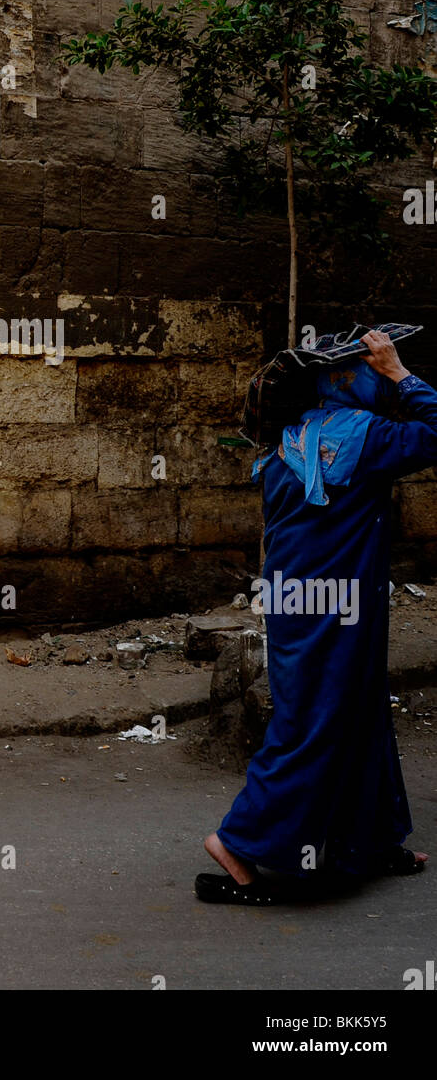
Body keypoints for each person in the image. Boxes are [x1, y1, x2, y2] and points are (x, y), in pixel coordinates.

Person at [196, 329, 437, 905]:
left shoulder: (288, 440)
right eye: (373, 376)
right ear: (355, 381)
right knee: (316, 721)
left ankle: (368, 842)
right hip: (335, 606)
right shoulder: (367, 436)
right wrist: (403, 373)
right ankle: (238, 842)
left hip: (298, 604)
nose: (382, 385)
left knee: (357, 709)